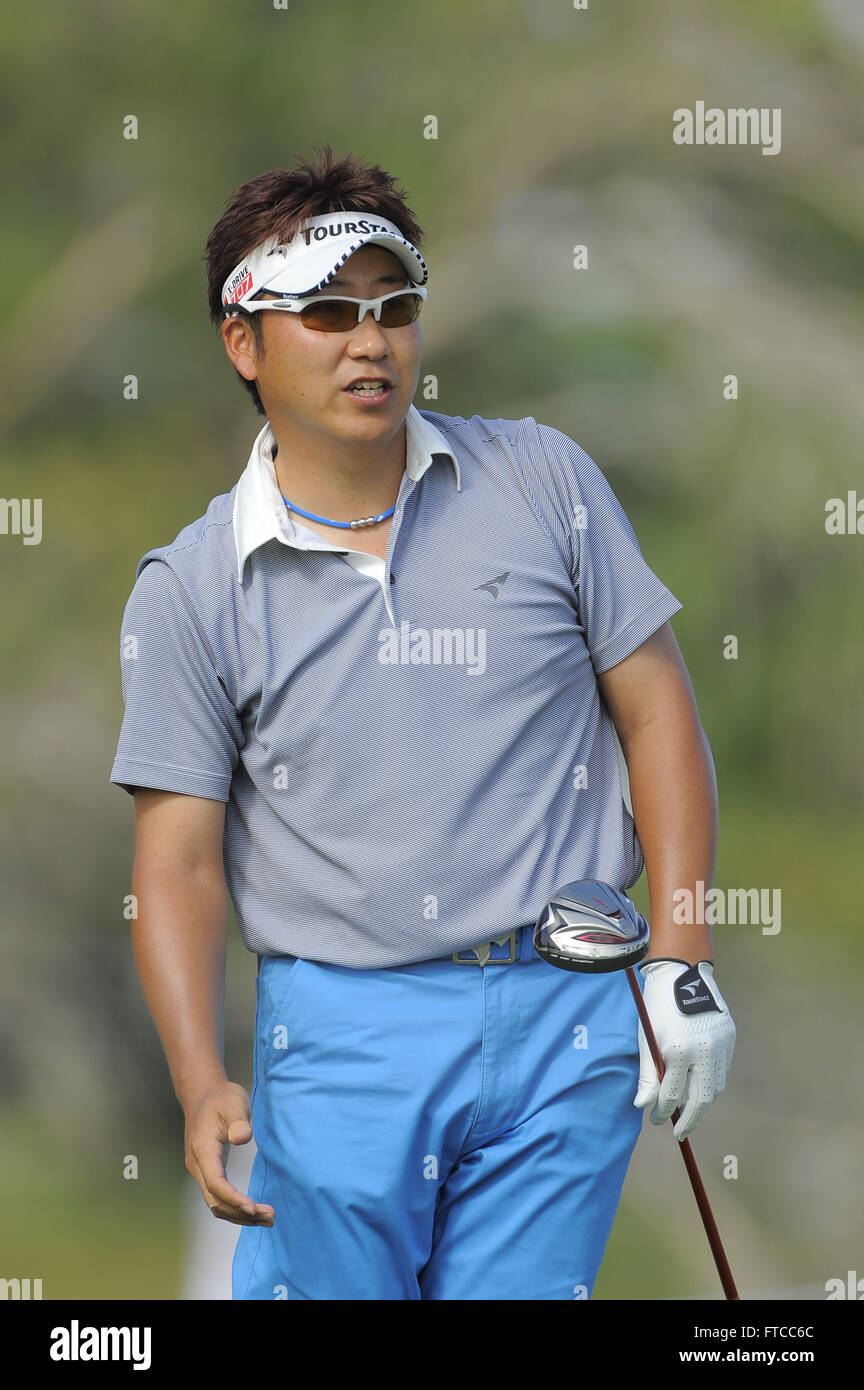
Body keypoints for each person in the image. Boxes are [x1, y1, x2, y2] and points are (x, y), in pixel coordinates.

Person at [109, 145, 735, 1301]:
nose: (372, 341)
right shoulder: (192, 587)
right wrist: (199, 1080)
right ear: (244, 342)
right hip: (343, 1034)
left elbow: (659, 719)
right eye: (328, 313)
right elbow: (178, 862)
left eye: (394, 308)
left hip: (569, 1014)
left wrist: (683, 960)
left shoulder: (542, 478)